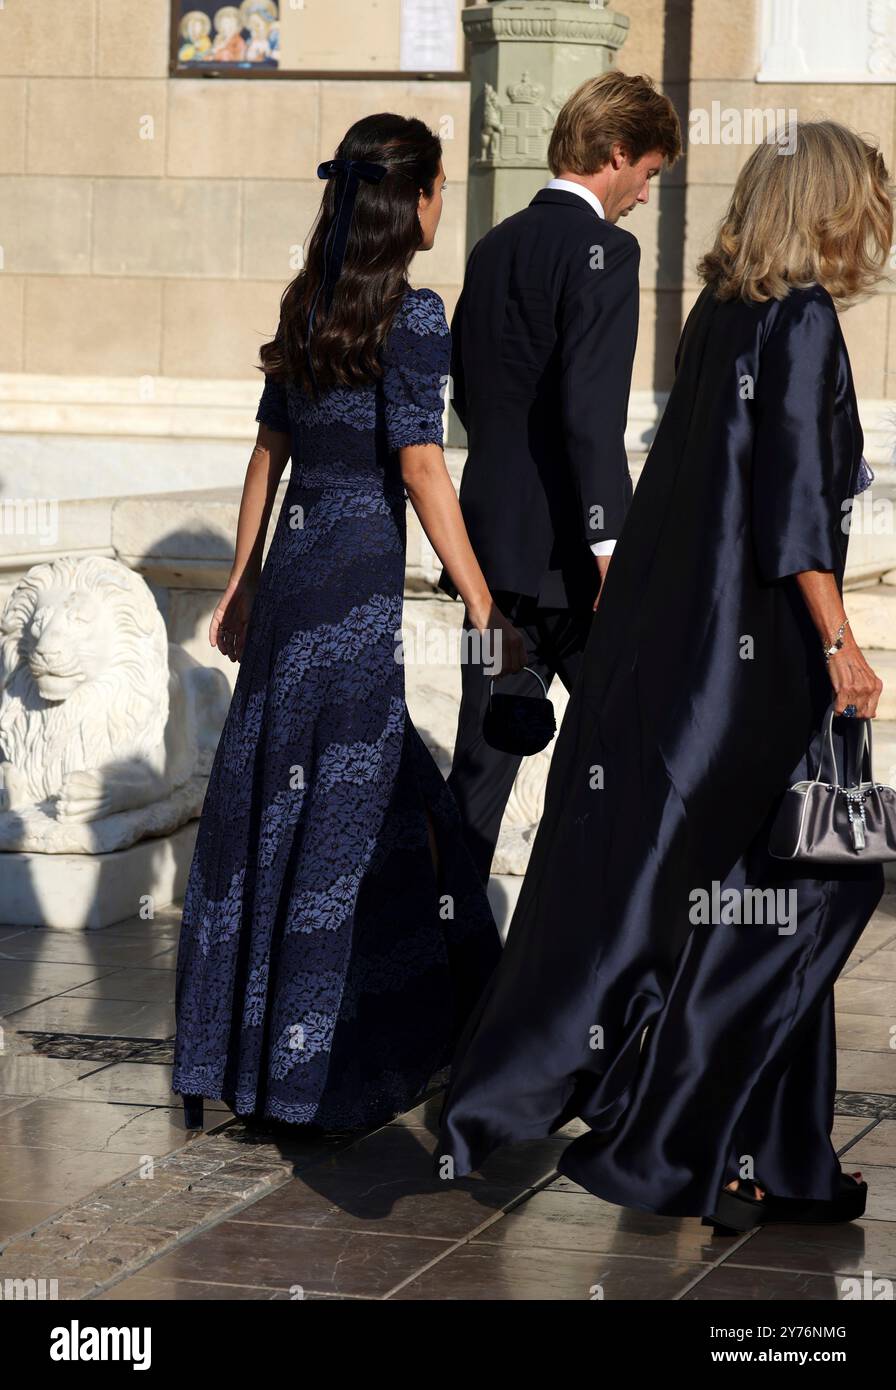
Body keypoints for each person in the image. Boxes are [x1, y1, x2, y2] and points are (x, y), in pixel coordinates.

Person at [437, 120, 892, 1231]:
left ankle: (764, 1157)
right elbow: (792, 514)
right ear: (830, 205)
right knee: (811, 891)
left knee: (754, 898)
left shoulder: (719, 313)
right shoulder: (797, 323)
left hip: (698, 662)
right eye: (869, 196)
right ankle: (679, 1140)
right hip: (772, 664)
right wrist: (841, 642)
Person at [172, 114, 526, 1133]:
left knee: (296, 800)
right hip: (355, 590)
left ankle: (258, 1048)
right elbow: (421, 468)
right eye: (438, 186)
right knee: (337, 818)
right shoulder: (413, 320)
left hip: (292, 583)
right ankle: (313, 1072)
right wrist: (479, 596)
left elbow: (265, 458)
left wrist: (242, 586)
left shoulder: (310, 301)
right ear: (410, 200)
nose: (443, 203)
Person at [440, 71, 682, 882]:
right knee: (647, 764)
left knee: (479, 779)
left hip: (496, 560)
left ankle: (444, 981)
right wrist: (612, 547)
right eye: (648, 173)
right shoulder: (608, 252)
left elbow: (469, 394)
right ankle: (613, 966)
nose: (645, 194)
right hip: (580, 572)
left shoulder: (492, 243)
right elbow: (590, 412)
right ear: (616, 155)